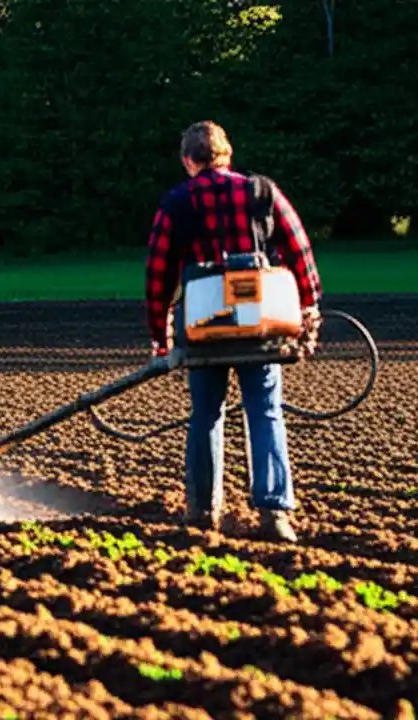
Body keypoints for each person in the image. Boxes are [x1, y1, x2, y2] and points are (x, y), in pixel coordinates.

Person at [145, 121, 322, 543]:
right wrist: (309, 308)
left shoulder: (177, 201)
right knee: (265, 410)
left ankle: (203, 511)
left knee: (206, 414)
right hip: (261, 323)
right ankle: (274, 512)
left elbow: (158, 273)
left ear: (190, 160)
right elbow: (300, 250)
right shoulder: (262, 192)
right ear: (227, 154)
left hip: (206, 326)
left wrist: (160, 338)